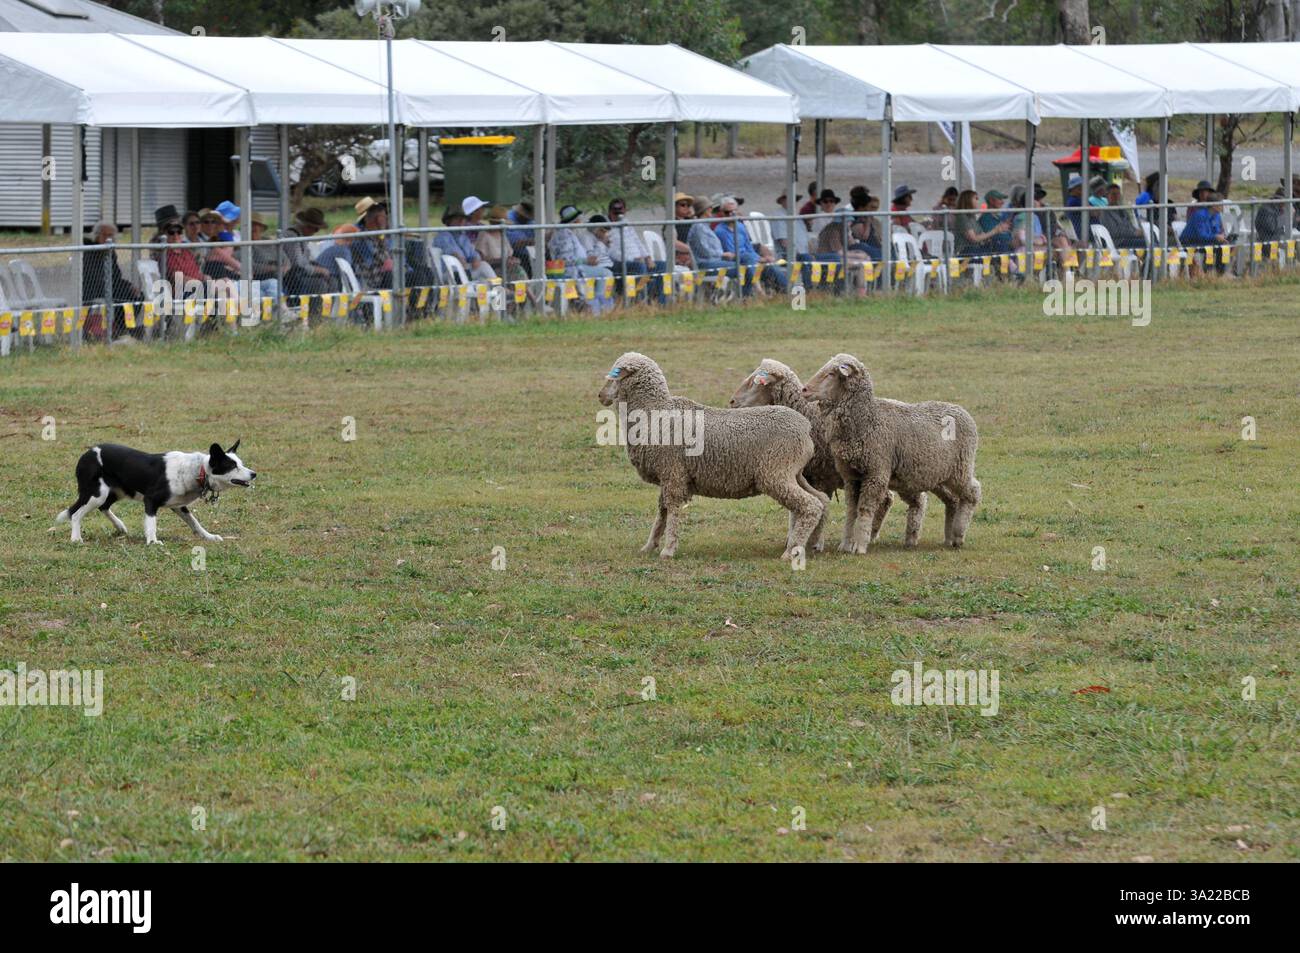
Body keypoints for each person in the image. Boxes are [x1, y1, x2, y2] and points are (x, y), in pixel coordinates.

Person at [717, 195, 788, 292]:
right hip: (737, 262)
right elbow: (733, 254)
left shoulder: (740, 226)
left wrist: (760, 259)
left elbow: (749, 247)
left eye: (734, 211)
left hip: (751, 262)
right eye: (727, 212)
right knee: (748, 259)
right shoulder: (720, 231)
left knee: (772, 267)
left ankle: (788, 293)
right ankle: (758, 292)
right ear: (722, 213)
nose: (731, 214)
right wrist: (759, 259)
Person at [282, 207, 332, 299]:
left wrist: (319, 268)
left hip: (301, 274)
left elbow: (306, 260)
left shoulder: (303, 236)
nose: (316, 232)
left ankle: (330, 310)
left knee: (332, 280)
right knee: (319, 284)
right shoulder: (292, 236)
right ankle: (313, 312)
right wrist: (318, 270)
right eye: (315, 229)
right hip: (290, 277)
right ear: (307, 226)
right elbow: (297, 264)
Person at [605, 197, 660, 275]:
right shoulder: (605, 227)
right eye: (615, 213)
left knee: (663, 265)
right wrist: (633, 259)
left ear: (625, 211)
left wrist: (647, 257)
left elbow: (637, 241)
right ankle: (641, 287)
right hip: (621, 263)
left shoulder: (626, 223)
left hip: (639, 260)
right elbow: (612, 252)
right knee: (640, 266)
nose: (618, 216)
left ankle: (656, 287)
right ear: (610, 212)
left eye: (620, 213)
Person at [476, 205, 526, 282]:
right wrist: (501, 261)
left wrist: (512, 260)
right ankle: (526, 293)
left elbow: (509, 254)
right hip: (492, 269)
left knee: (518, 268)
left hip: (507, 267)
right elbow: (482, 260)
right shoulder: (484, 235)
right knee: (517, 271)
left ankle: (524, 292)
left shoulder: (503, 236)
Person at [248, 214, 282, 301]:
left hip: (279, 274)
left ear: (262, 229)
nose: (253, 228)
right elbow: (249, 266)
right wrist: (271, 268)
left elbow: (285, 260)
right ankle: (281, 311)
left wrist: (284, 268)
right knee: (272, 284)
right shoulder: (245, 244)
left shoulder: (269, 242)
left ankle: (280, 310)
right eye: (251, 225)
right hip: (259, 278)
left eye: (256, 225)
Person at [1100, 182, 1145, 248]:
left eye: (1118, 194)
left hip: (1130, 238)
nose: (1116, 196)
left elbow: (1130, 225)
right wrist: (1134, 233)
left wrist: (1137, 231)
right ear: (1107, 195)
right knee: (1145, 243)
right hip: (1118, 242)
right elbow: (1114, 232)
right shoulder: (1105, 212)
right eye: (1113, 194)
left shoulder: (1122, 210)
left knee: (1149, 239)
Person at [315, 225, 358, 289]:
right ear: (351, 240)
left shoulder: (336, 248)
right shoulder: (343, 250)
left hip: (325, 276)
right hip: (327, 277)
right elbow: (348, 271)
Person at [976, 190, 1014, 254]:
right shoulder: (985, 218)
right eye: (1000, 199)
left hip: (1006, 248)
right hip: (996, 251)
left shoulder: (999, 217)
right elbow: (991, 237)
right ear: (991, 201)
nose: (1003, 202)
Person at [672, 192, 695, 268]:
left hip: (693, 254)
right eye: (683, 205)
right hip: (680, 255)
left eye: (688, 205)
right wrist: (692, 250)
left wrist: (692, 215)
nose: (686, 207)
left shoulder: (689, 221)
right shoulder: (672, 223)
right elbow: (673, 242)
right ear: (674, 207)